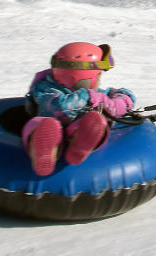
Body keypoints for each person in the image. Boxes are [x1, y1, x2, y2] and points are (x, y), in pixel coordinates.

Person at [22, 42, 136, 176]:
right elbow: (60, 107)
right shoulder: (46, 90)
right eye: (98, 75)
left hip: (76, 129)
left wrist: (118, 98)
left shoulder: (95, 95)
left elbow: (125, 99)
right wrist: (88, 97)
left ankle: (80, 145)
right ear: (86, 78)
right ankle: (45, 153)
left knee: (96, 122)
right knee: (42, 125)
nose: (100, 80)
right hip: (48, 127)